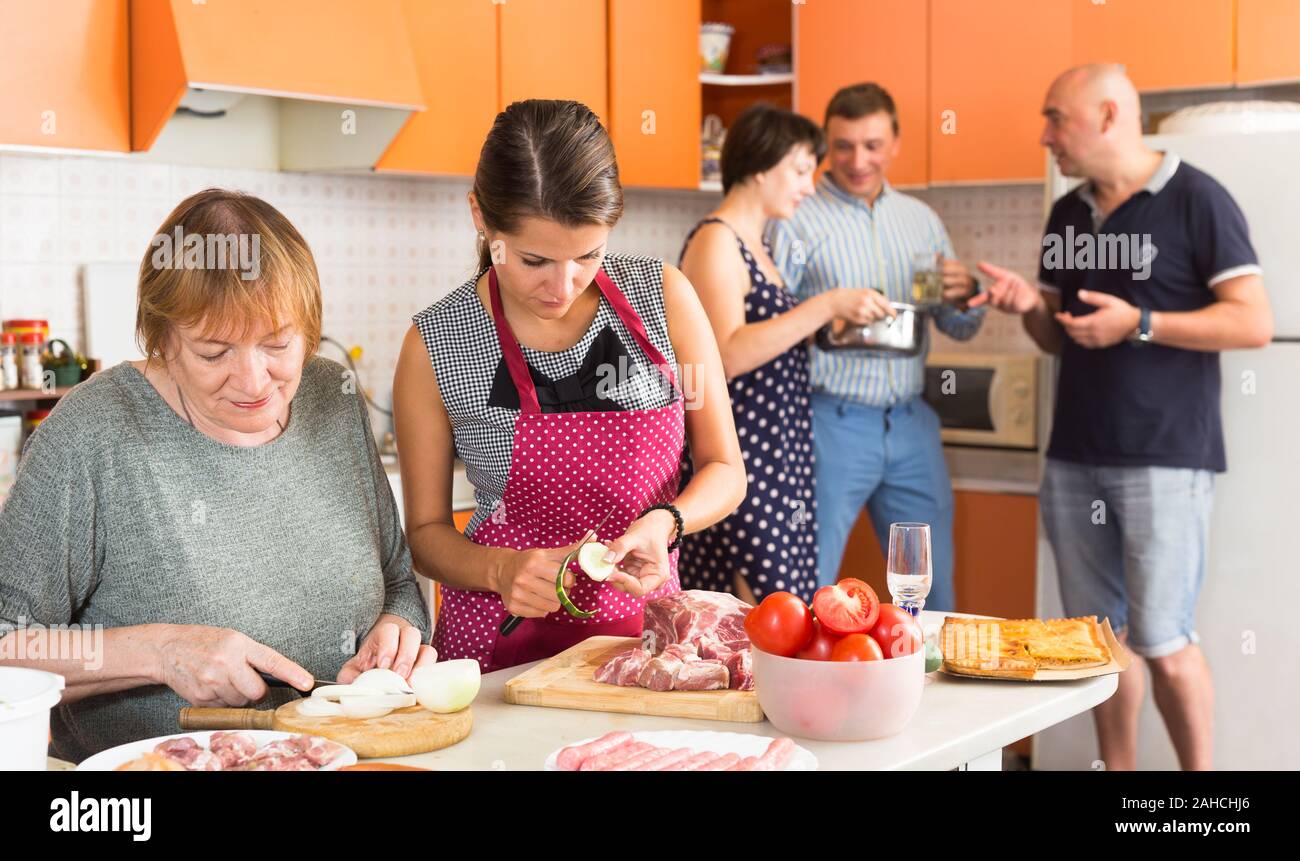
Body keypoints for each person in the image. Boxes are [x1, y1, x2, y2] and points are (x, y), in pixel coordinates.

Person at [0, 189, 433, 761]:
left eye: (278, 344)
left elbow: (399, 581)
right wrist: (160, 651)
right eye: (213, 353)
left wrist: (398, 629)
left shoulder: (332, 395)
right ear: (163, 342)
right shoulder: (91, 433)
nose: (254, 382)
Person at [972, 64, 1273, 770]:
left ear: (1108, 116)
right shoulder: (1068, 214)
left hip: (1167, 457)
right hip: (1076, 454)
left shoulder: (1198, 199)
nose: (1045, 136)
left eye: (1056, 119)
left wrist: (1138, 323)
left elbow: (1254, 322)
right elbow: (1055, 337)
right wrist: (1029, 309)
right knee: (1097, 639)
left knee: (1165, 640)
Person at [393, 99, 746, 673]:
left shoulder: (665, 299)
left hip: (646, 644)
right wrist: (499, 570)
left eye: (588, 254)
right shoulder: (436, 342)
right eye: (535, 260)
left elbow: (725, 469)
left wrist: (668, 521)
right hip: (495, 648)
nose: (563, 285)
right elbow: (427, 533)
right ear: (480, 216)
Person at [768, 83, 985, 608]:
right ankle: (802, 689)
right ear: (825, 145)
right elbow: (770, 323)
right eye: (843, 145)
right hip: (827, 422)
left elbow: (958, 327)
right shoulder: (796, 218)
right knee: (807, 584)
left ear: (895, 143)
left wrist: (966, 296)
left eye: (872, 144)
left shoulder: (921, 221)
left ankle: (927, 688)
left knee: (931, 592)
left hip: (911, 424)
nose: (858, 160)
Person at [677, 103, 885, 605]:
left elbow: (767, 339)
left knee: (784, 611)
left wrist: (829, 327)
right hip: (742, 450)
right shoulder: (715, 241)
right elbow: (724, 355)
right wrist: (825, 304)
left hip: (778, 450)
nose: (809, 185)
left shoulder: (760, 245)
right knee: (758, 615)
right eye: (798, 169)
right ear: (758, 165)